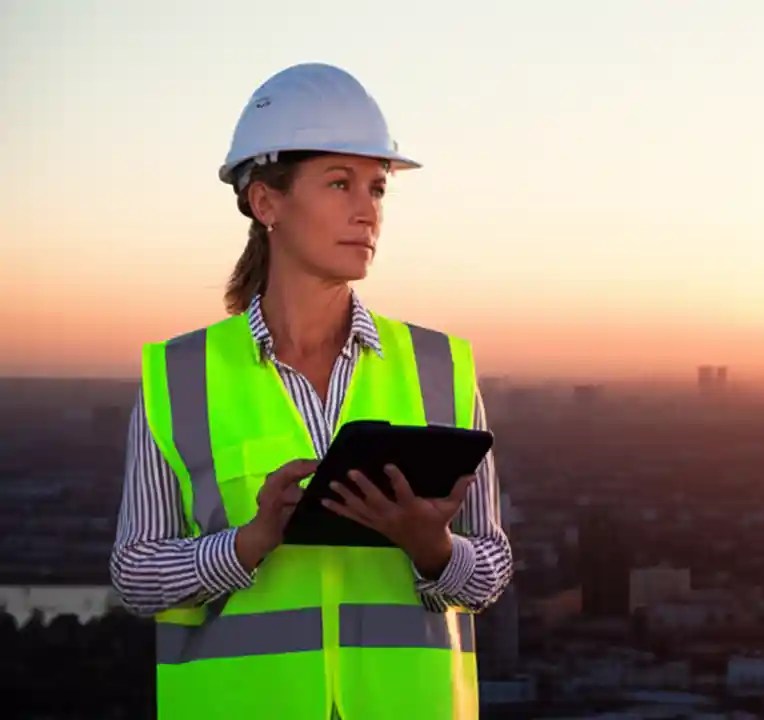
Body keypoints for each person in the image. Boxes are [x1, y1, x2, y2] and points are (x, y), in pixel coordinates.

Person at [108, 63, 513, 719]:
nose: (368, 211)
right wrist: (247, 543)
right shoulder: (177, 375)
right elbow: (135, 575)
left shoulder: (442, 366)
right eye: (338, 184)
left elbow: (491, 568)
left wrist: (433, 547)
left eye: (377, 188)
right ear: (266, 202)